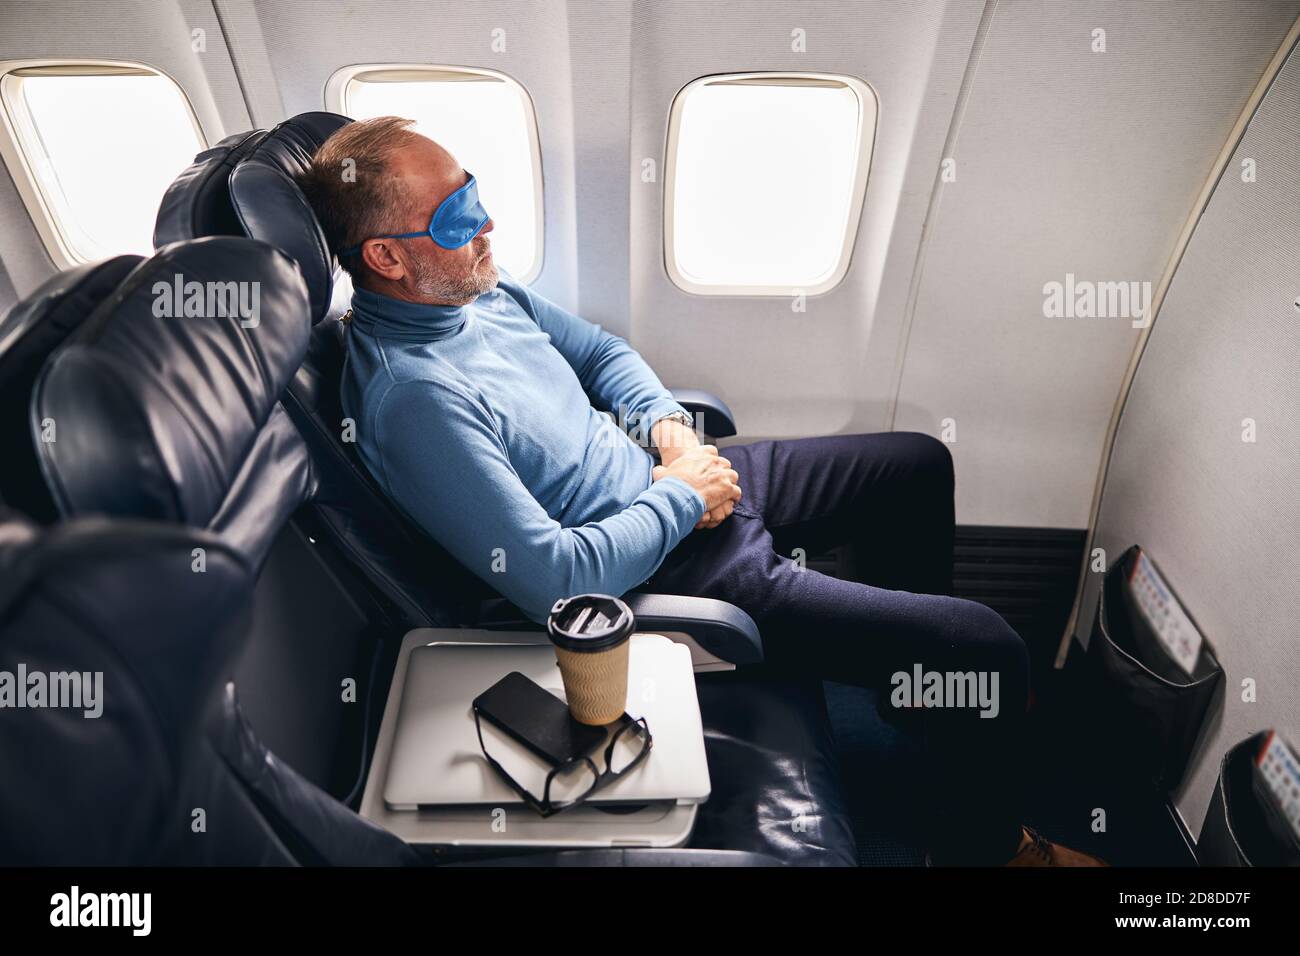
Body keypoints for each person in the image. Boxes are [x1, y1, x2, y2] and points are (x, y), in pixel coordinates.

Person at [299, 116, 1104, 867]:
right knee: (988, 649)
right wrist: (683, 496)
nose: (485, 226)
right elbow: (556, 578)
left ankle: (917, 698)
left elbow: (606, 353)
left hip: (679, 480)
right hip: (666, 572)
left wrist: (671, 432)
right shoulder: (416, 400)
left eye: (473, 195)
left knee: (918, 465)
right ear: (387, 259)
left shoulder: (481, 294)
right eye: (453, 219)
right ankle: (990, 852)